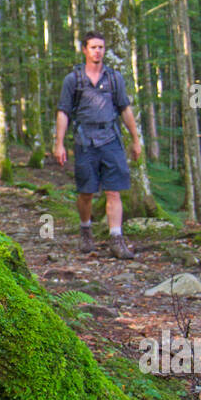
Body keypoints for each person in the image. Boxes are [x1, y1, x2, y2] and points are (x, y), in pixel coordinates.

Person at [53, 31, 143, 261]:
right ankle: (85, 229)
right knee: (86, 192)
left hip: (111, 139)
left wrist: (135, 139)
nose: (97, 51)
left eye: (101, 47)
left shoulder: (114, 79)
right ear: (84, 50)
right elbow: (63, 111)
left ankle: (116, 238)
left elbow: (125, 109)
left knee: (114, 190)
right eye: (93, 47)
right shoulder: (73, 80)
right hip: (85, 140)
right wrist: (59, 143)